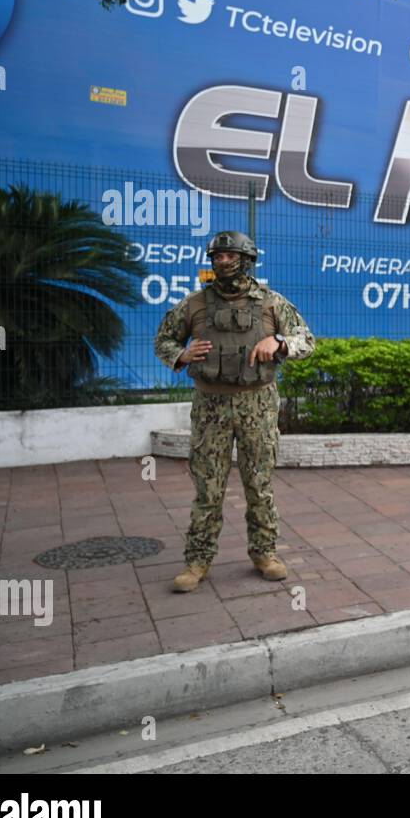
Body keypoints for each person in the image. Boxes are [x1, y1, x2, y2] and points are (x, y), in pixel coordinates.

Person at [153, 231, 315, 592]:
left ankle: (265, 553)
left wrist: (281, 342)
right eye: (217, 256)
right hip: (210, 405)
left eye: (229, 256)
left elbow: (307, 339)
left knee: (259, 483)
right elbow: (163, 338)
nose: (222, 262)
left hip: (257, 403)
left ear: (246, 259)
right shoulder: (195, 305)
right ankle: (197, 561)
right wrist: (180, 355)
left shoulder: (272, 303)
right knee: (207, 487)